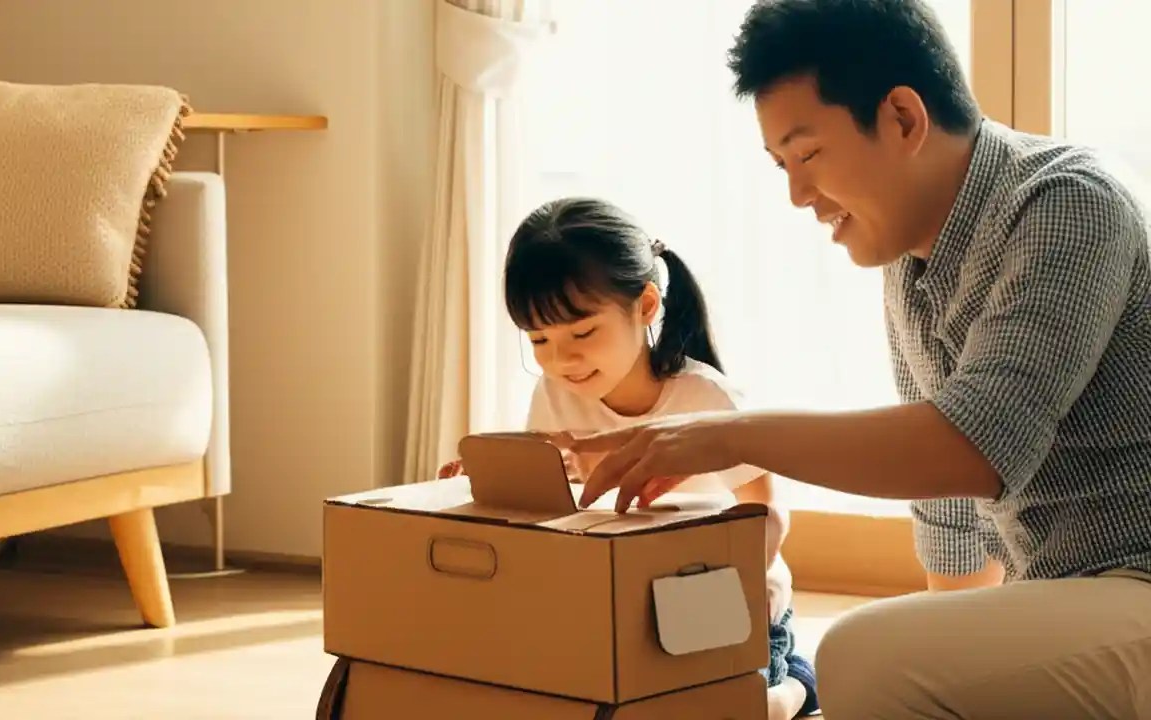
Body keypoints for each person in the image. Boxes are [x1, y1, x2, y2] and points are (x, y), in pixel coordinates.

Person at [557, 1, 1151, 718]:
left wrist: (727, 434)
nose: (798, 195)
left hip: (1135, 580)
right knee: (893, 653)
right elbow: (947, 500)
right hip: (1067, 592)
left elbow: (970, 448)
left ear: (902, 118)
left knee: (857, 653)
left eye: (807, 157)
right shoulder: (910, 256)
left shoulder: (1067, 203)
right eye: (780, 166)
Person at [440, 196, 819, 719]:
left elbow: (769, 519)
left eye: (583, 332)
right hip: (613, 605)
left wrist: (716, 600)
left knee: (739, 711)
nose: (560, 359)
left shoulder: (708, 400)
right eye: (539, 339)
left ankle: (798, 683)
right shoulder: (555, 394)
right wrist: (490, 476)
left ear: (644, 306)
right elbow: (550, 503)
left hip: (728, 606)